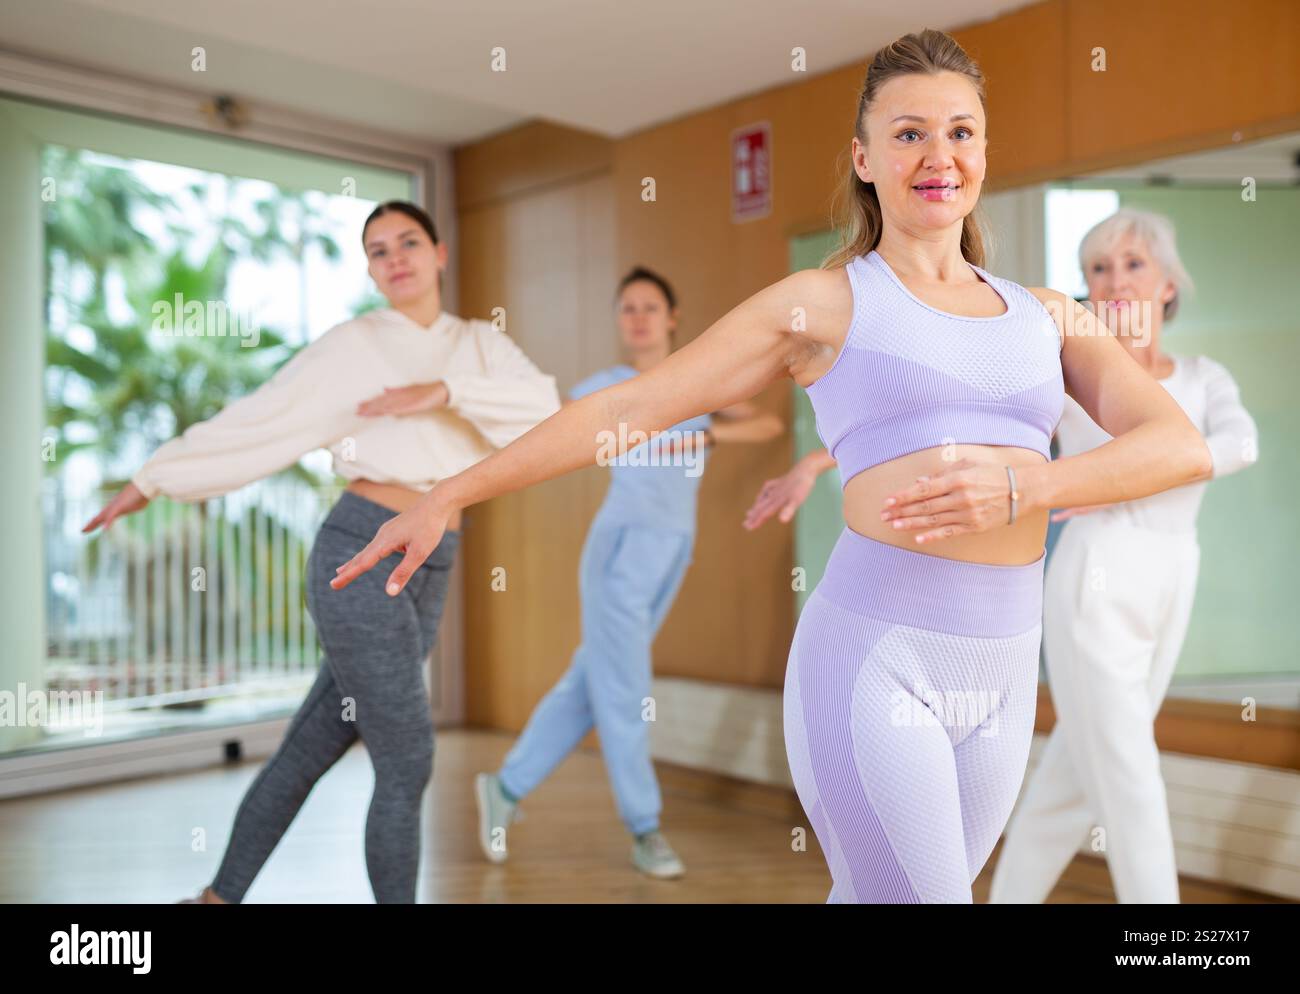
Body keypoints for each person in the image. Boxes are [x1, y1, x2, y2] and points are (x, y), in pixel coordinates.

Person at [329, 30, 1212, 904]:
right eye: (908, 134)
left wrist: (1034, 484)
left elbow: (1179, 445)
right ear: (864, 158)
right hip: (877, 660)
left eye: (960, 131)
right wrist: (451, 492)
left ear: (983, 149)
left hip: (1007, 675)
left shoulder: (1046, 315)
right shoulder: (823, 305)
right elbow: (625, 411)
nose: (938, 154)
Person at [83, 200, 561, 904]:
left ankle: (216, 898)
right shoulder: (352, 346)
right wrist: (154, 478)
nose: (395, 258)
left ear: (440, 253)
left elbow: (545, 412)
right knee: (408, 758)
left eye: (407, 242)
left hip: (434, 560)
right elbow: (261, 417)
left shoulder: (480, 345)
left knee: (313, 745)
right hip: (361, 550)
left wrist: (444, 391)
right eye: (377, 250)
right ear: (370, 270)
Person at [473, 266, 784, 879]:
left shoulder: (698, 382)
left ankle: (505, 787)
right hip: (621, 548)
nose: (638, 317)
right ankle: (645, 828)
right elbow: (557, 423)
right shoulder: (608, 387)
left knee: (594, 682)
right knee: (623, 690)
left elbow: (768, 423)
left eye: (649, 307)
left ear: (671, 318)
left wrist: (698, 441)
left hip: (673, 550)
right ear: (620, 322)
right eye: (627, 308)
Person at [986, 209, 1259, 904]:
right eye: (1098, 269)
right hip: (1093, 574)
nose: (1116, 280)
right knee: (1131, 770)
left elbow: (1239, 444)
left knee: (1076, 774)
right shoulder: (1073, 379)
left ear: (1168, 284)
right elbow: (996, 433)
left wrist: (1128, 472)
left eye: (1134, 265)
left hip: (1174, 571)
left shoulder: (1202, 375)